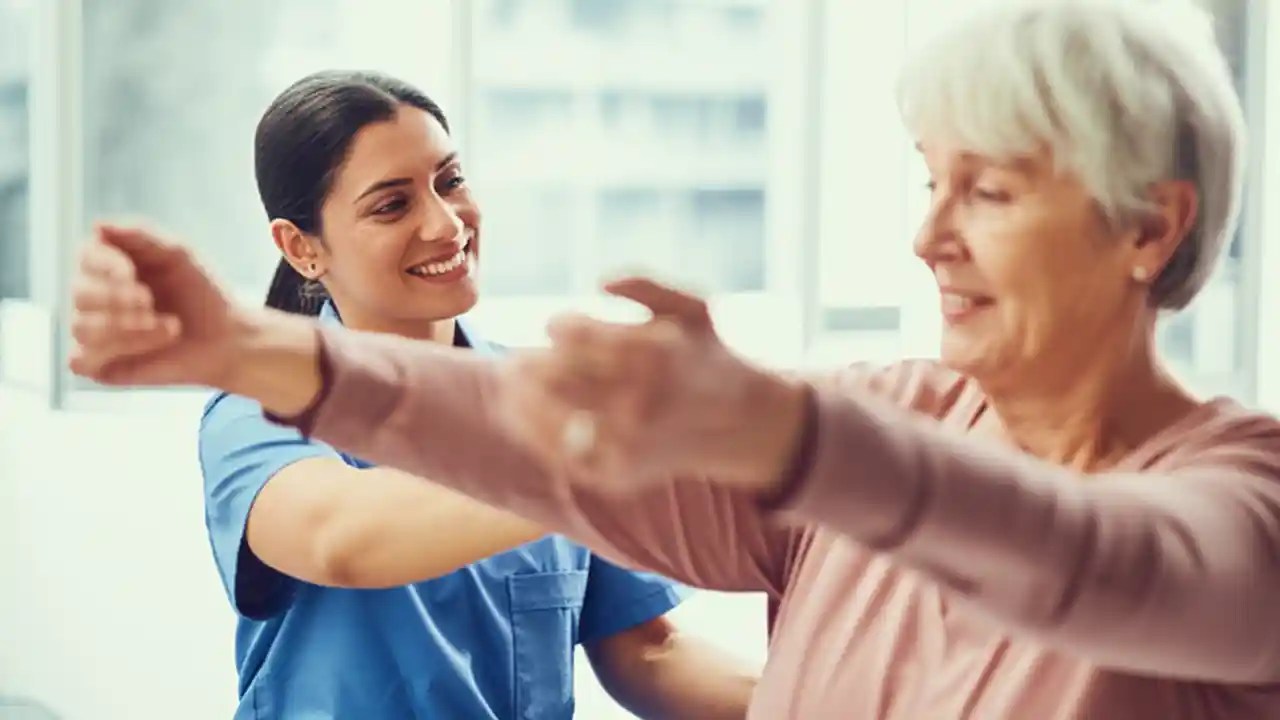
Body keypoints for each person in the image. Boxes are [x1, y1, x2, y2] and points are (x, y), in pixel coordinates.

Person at [66, 1, 1280, 718]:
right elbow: (452, 485)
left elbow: (1096, 564)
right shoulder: (884, 417)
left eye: (991, 191)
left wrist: (788, 447)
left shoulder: (1240, 499)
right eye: (928, 183)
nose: (926, 236)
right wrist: (247, 346)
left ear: (1147, 227)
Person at [193, 71, 757, 719]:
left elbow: (648, 652)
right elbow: (342, 539)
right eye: (391, 205)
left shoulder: (552, 402)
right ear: (302, 247)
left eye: (450, 181)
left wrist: (833, 700)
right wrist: (590, 458)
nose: (445, 223)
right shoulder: (261, 410)